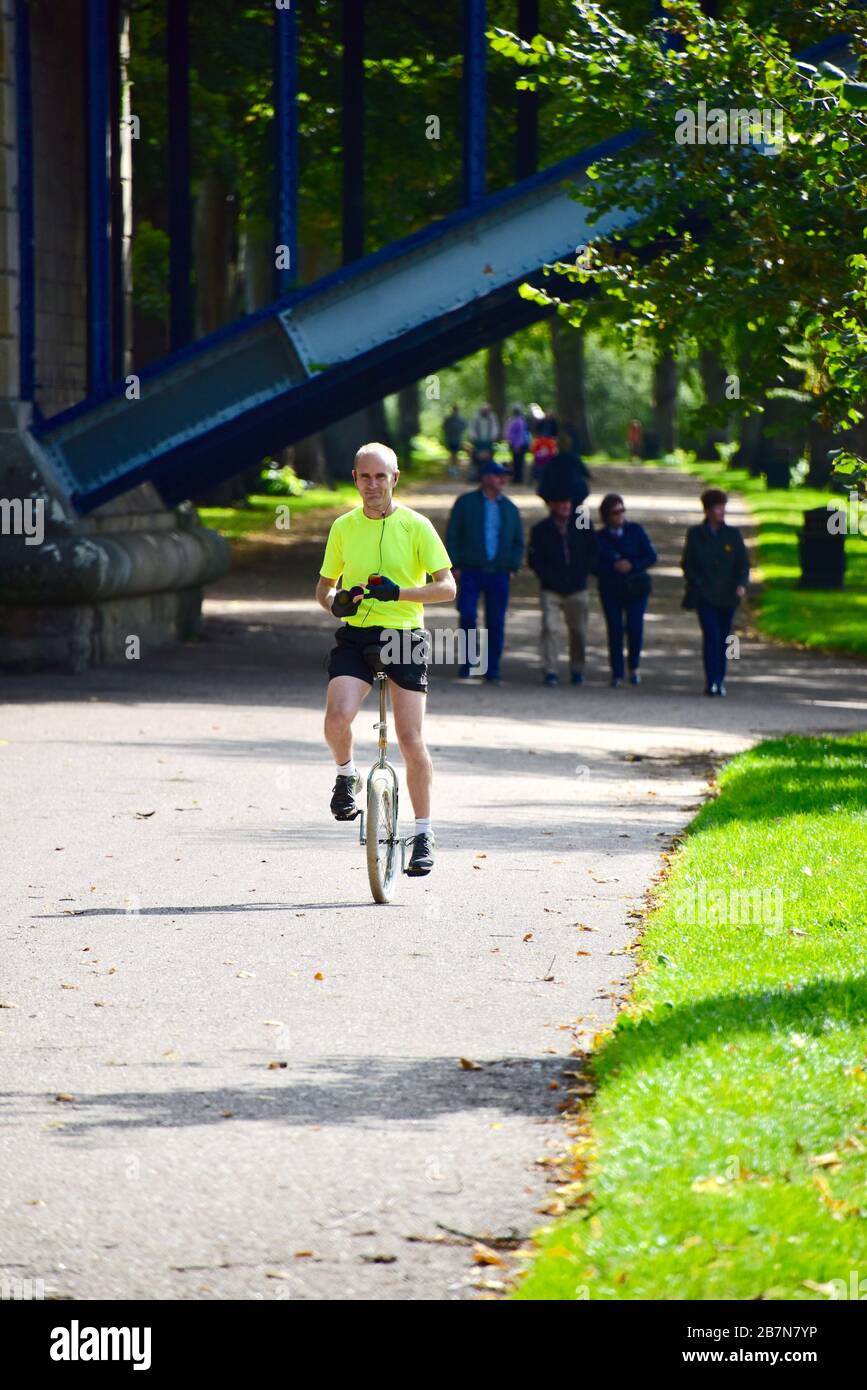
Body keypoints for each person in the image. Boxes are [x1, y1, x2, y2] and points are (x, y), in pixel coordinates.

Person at [316, 443, 456, 876]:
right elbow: (324, 589)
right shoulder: (343, 526)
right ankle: (346, 775)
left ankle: (425, 832)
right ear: (355, 478)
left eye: (381, 477)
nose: (372, 485)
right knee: (337, 717)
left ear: (395, 478)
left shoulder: (416, 526)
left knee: (410, 738)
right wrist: (337, 604)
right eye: (365, 477)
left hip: (404, 637)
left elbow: (447, 588)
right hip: (357, 635)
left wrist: (400, 593)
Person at [445, 459, 524, 685]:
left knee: (496, 621)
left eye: (504, 475)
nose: (502, 479)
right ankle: (469, 662)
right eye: (498, 475)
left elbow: (518, 541)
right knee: (468, 614)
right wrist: (455, 565)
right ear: (485, 477)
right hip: (470, 570)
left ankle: (492, 668)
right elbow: (453, 535)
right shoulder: (465, 503)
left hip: (499, 572)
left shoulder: (509, 507)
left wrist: (513, 567)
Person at [681, 487, 749, 696]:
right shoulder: (696, 535)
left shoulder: (732, 535)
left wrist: (741, 583)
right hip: (706, 595)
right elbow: (687, 563)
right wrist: (697, 581)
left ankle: (721, 678)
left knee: (725, 637)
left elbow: (742, 563)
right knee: (711, 636)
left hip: (728, 596)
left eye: (723, 507)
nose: (721, 512)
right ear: (708, 511)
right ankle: (711, 679)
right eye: (717, 508)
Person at [528, 497, 597, 686]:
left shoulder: (582, 524)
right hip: (551, 588)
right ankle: (550, 669)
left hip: (577, 588)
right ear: (551, 505)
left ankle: (577, 668)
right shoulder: (541, 529)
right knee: (550, 628)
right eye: (561, 502)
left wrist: (582, 574)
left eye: (568, 502)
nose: (566, 505)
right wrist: (548, 578)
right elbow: (535, 560)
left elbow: (592, 550)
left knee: (579, 631)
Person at [593, 493, 657, 687]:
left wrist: (633, 565)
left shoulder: (635, 531)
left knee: (635, 627)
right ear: (607, 516)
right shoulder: (599, 538)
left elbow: (651, 556)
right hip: (611, 588)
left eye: (622, 511)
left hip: (635, 587)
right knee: (614, 629)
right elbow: (593, 565)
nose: (620, 516)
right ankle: (617, 671)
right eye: (615, 512)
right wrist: (613, 566)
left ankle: (634, 667)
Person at [536, 436, 592, 515]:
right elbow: (586, 474)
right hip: (574, 497)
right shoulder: (575, 459)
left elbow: (543, 484)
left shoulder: (552, 462)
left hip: (556, 498)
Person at [505, 405, 530, 484]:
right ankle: (516, 478)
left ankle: (518, 479)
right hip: (514, 443)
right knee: (515, 461)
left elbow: (519, 434)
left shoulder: (519, 421)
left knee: (519, 462)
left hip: (519, 445)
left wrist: (517, 445)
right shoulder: (514, 420)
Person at [443, 404, 466, 478]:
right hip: (451, 439)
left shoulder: (459, 419)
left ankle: (454, 469)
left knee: (455, 454)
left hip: (457, 439)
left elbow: (463, 427)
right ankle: (452, 468)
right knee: (452, 454)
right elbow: (444, 427)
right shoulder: (449, 419)